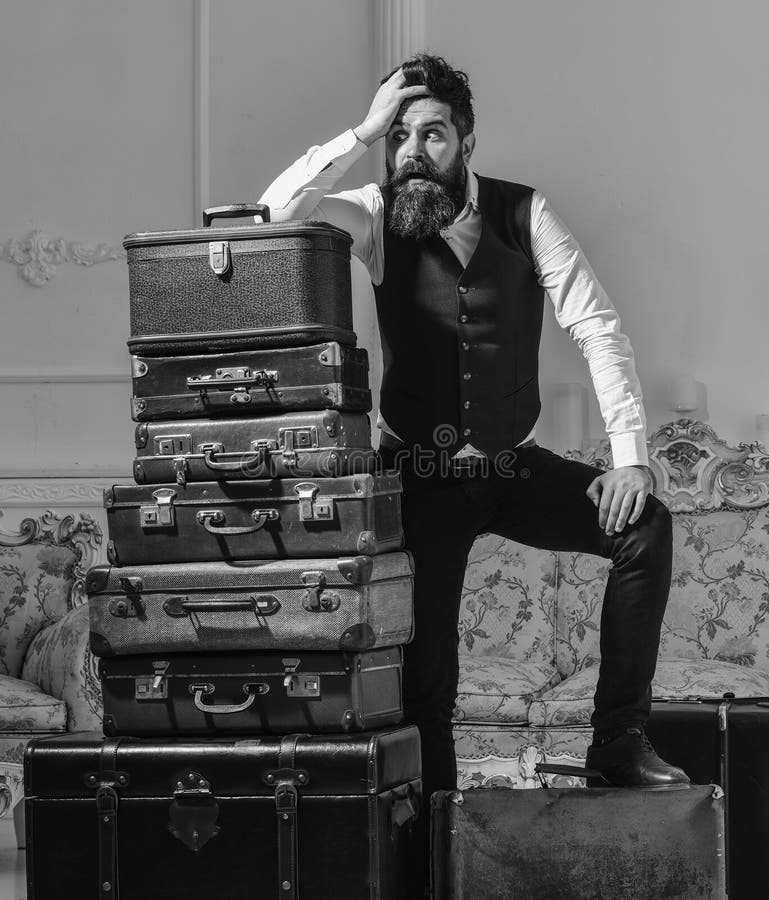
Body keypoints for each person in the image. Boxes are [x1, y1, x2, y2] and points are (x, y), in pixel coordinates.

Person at [259, 53, 689, 896]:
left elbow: (596, 325)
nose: (414, 152)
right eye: (402, 137)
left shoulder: (524, 213)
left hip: (509, 465)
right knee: (431, 682)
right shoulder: (376, 217)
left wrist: (630, 457)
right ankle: (435, 849)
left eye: (433, 135)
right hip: (416, 478)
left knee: (644, 527)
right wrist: (361, 132)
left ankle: (616, 742)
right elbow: (274, 216)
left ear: (466, 141)